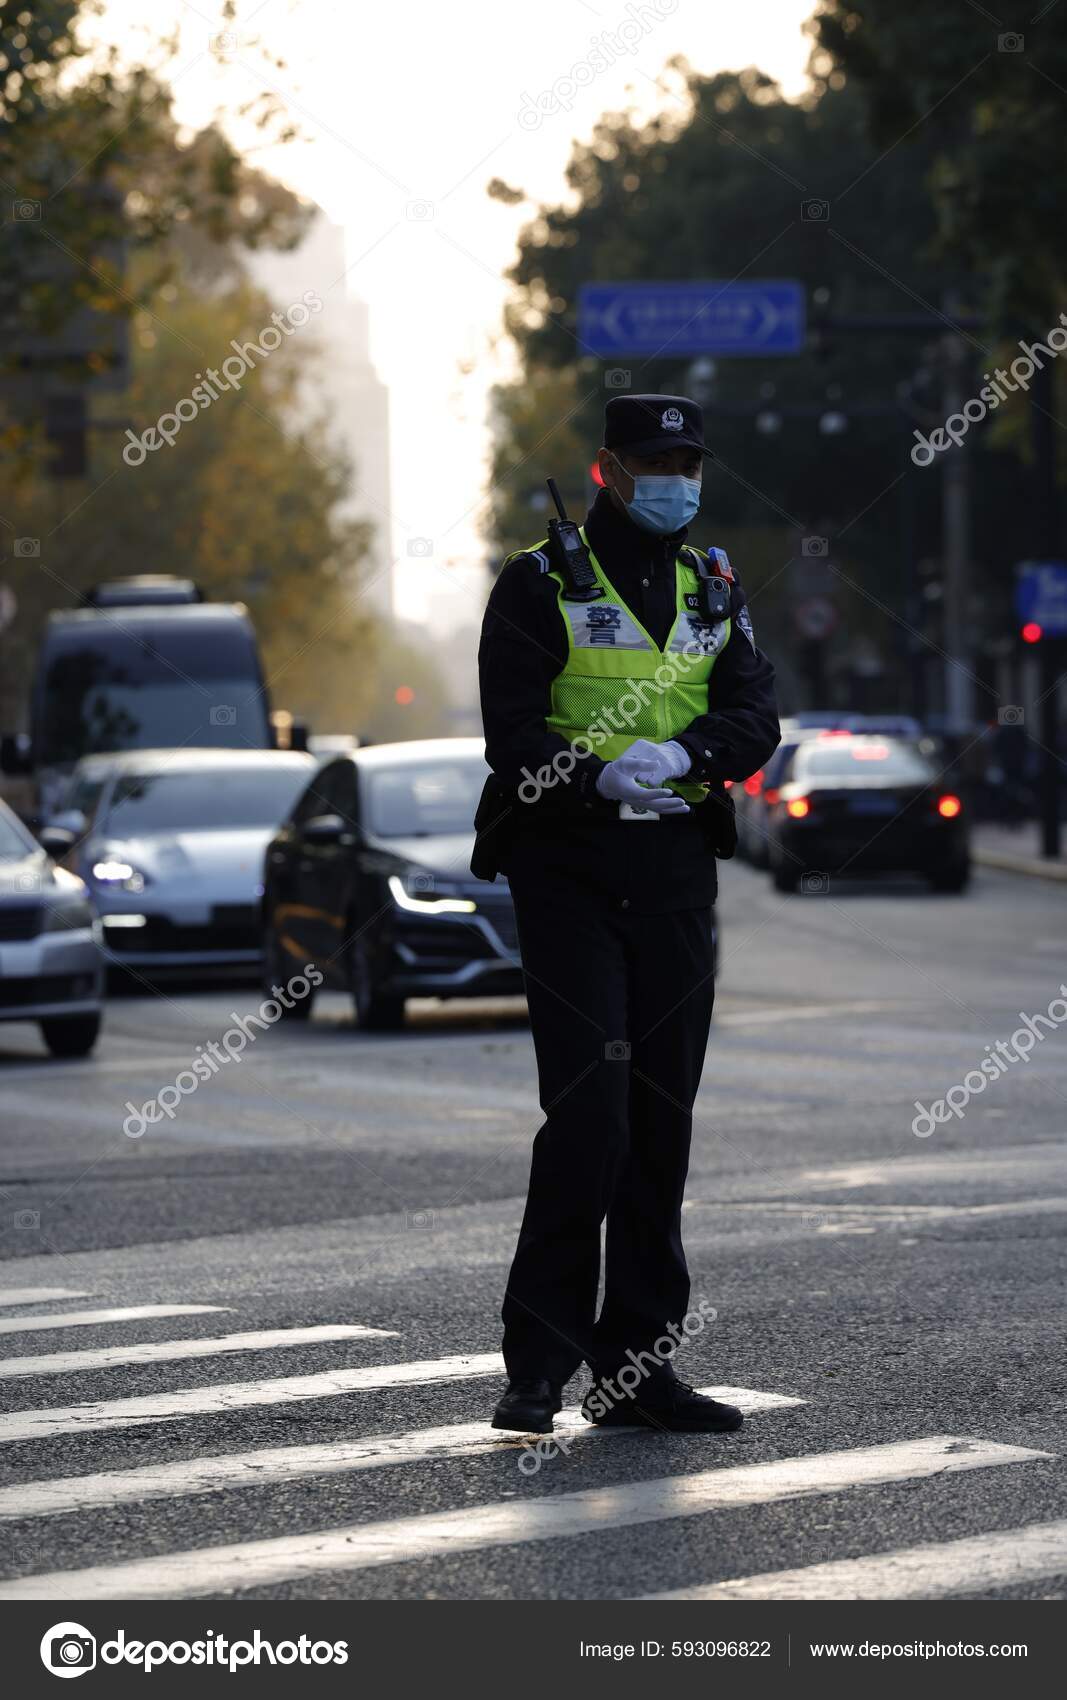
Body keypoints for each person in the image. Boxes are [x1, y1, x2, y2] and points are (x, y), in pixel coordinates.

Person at [473, 394, 780, 1435]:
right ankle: (536, 1364)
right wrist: (597, 774)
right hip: (565, 868)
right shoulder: (536, 579)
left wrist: (685, 758)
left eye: (688, 461)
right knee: (591, 1115)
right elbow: (510, 733)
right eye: (655, 460)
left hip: (674, 873)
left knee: (658, 1124)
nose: (676, 479)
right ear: (606, 468)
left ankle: (635, 1370)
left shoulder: (712, 583)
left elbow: (753, 710)